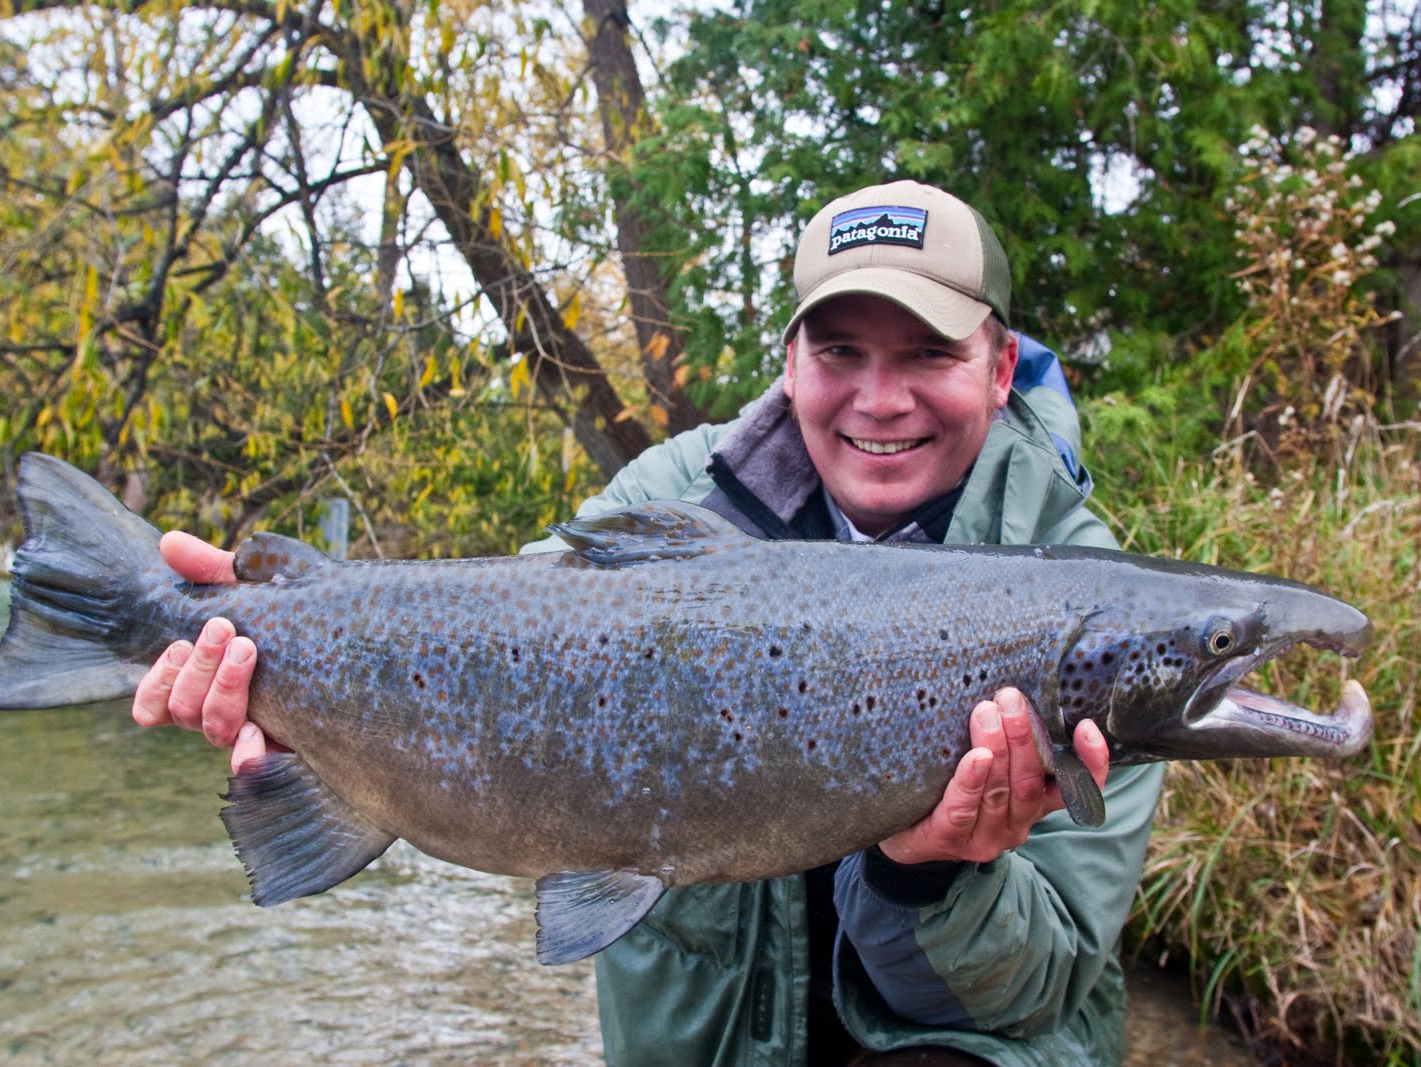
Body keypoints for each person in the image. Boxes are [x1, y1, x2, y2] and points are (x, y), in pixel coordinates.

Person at [131, 180, 1166, 1065]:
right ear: (791, 355)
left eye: (928, 354)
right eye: (840, 349)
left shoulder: (1090, 605)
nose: (878, 397)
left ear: (998, 366)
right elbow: (503, 627)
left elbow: (1035, 987)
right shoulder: (681, 490)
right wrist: (278, 630)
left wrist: (930, 871)